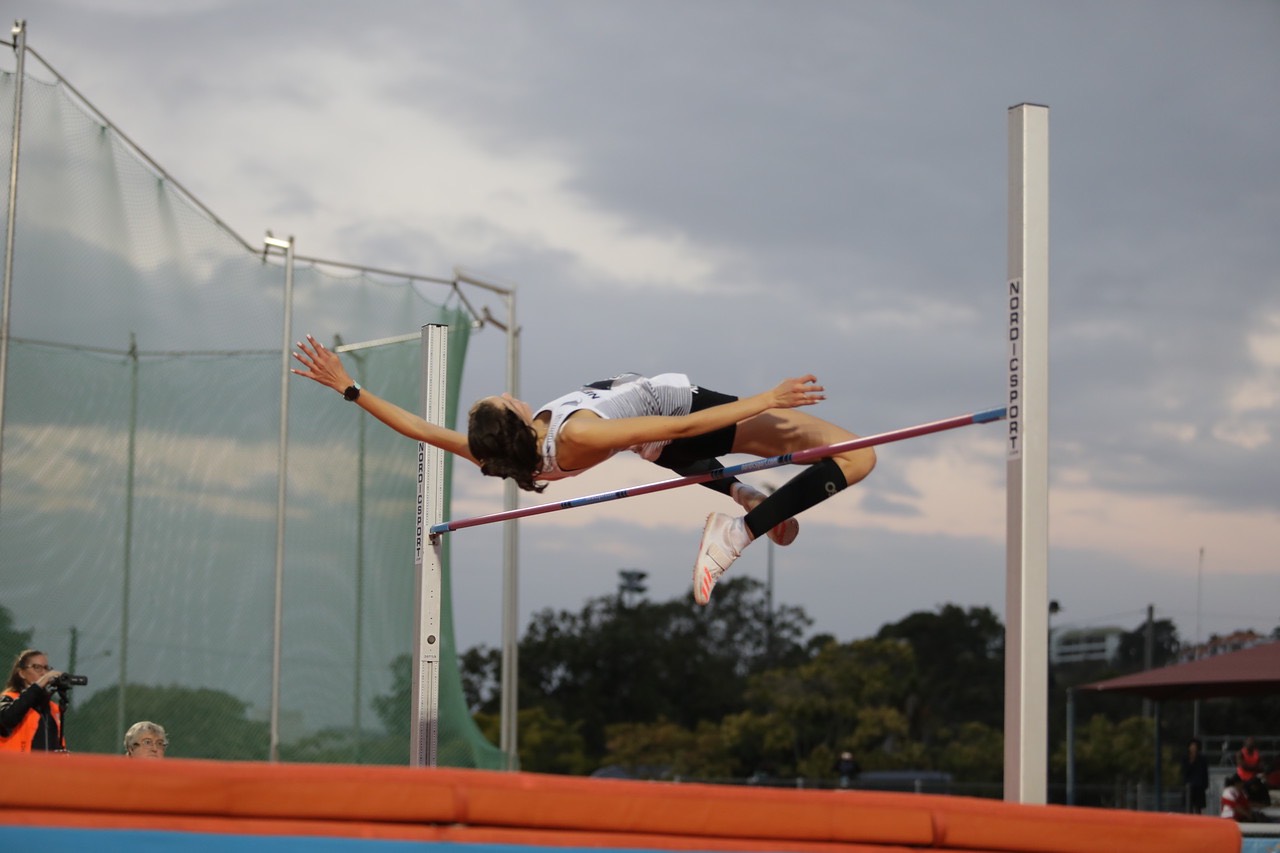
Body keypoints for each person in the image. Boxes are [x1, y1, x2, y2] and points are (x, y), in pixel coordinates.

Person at [292, 336, 876, 604]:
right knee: (859, 454)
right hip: (681, 412)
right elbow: (677, 430)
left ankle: (747, 497)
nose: (503, 392)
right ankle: (739, 528)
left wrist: (349, 387)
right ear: (516, 421)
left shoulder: (499, 453)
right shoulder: (580, 435)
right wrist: (767, 396)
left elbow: (417, 428)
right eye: (500, 399)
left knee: (770, 481)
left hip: (655, 441)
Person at [0, 649, 67, 752]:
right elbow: (6, 720)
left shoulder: (52, 707)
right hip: (15, 766)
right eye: (37, 667)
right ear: (22, 673)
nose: (44, 673)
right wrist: (39, 684)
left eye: (46, 668)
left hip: (45, 767)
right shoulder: (8, 698)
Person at [1180, 737, 1209, 814]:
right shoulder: (1185, 758)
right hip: (1189, 786)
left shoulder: (1202, 759)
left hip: (1199, 786)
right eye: (1192, 746)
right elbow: (1184, 772)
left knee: (1198, 808)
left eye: (1195, 746)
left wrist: (1205, 785)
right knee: (1188, 807)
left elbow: (1204, 773)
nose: (1193, 748)